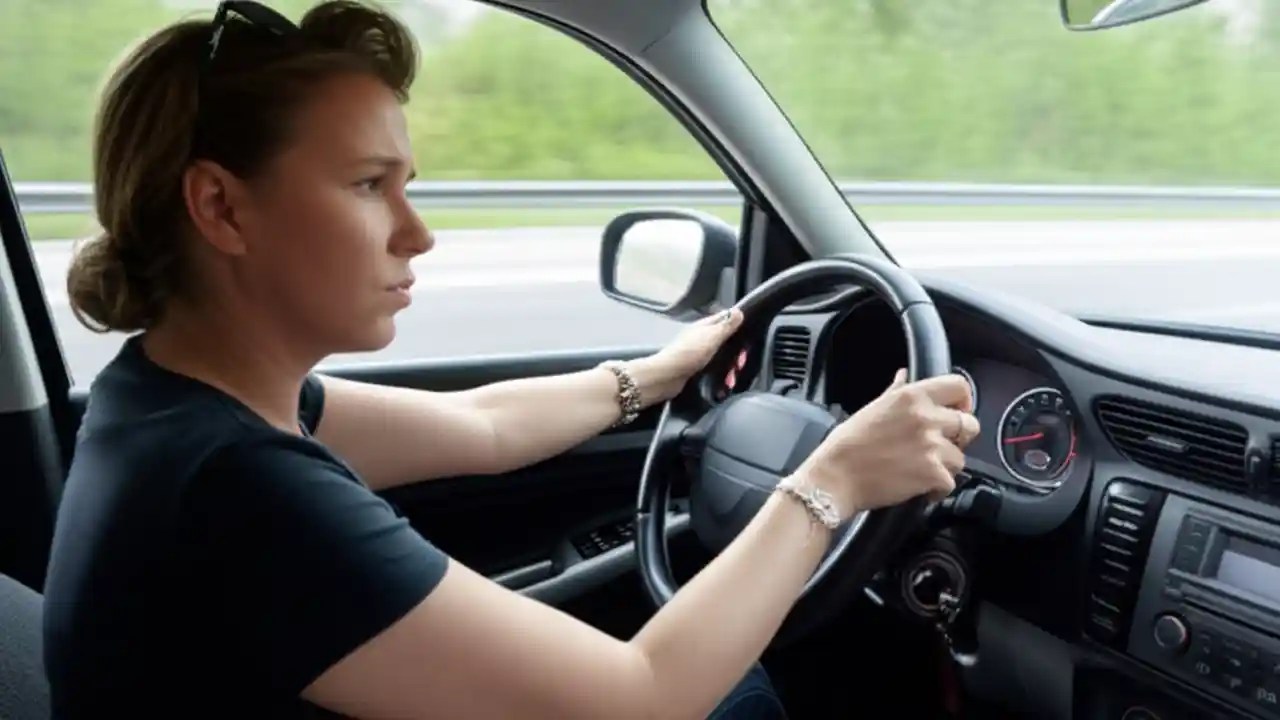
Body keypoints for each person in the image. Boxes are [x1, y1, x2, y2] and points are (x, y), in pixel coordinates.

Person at [40, 1, 981, 718]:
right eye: (370, 186)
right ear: (222, 210)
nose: (418, 235)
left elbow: (483, 426)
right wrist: (833, 479)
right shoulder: (240, 492)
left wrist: (655, 375)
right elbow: (645, 697)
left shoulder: (170, 397)